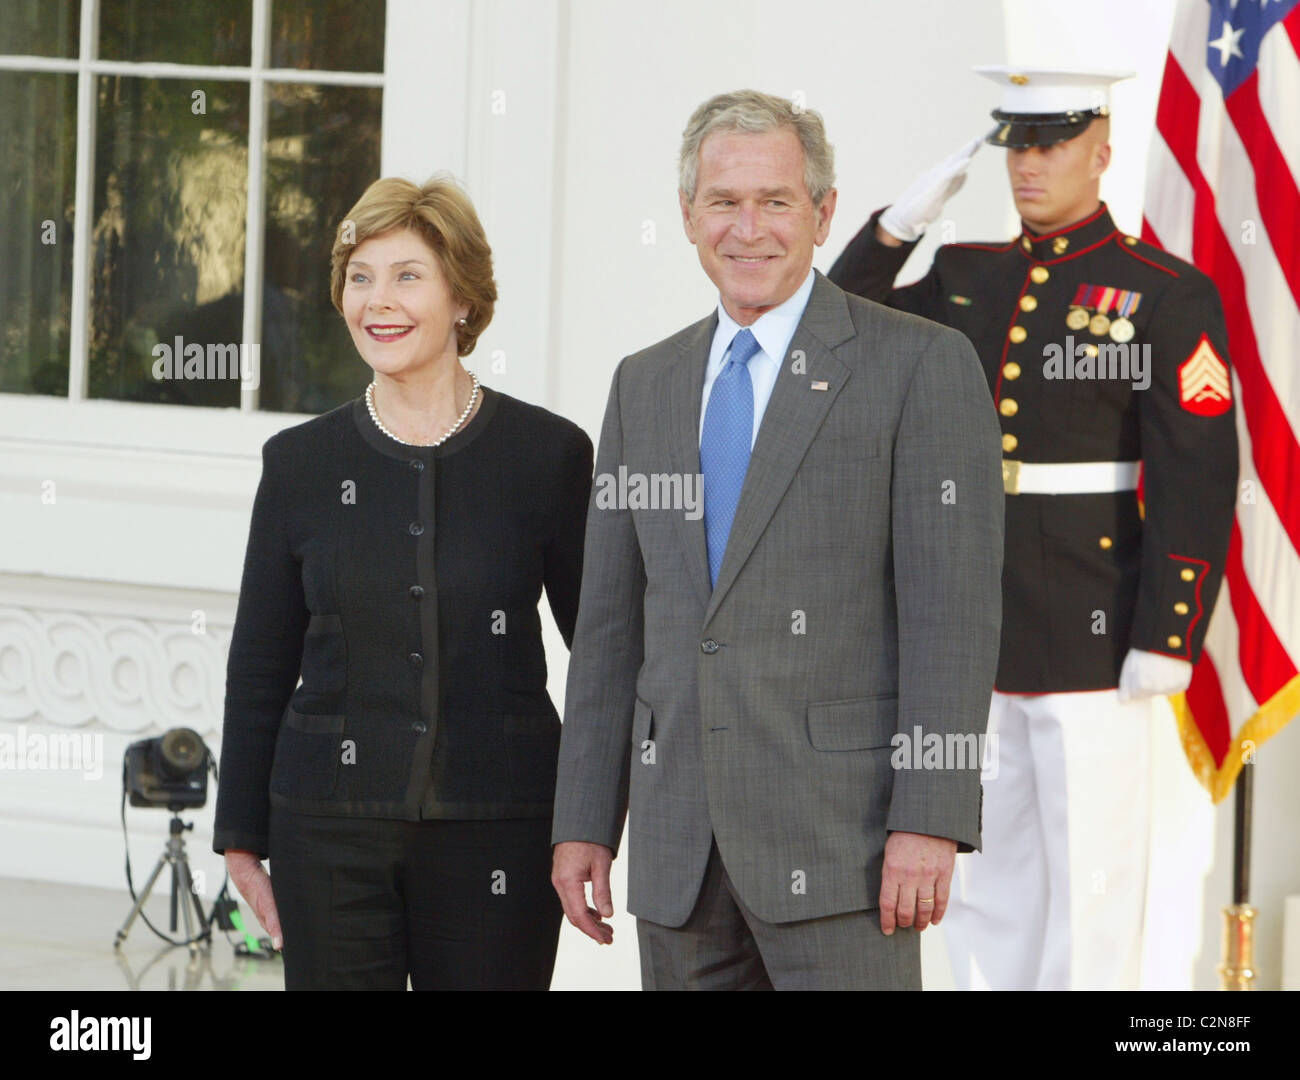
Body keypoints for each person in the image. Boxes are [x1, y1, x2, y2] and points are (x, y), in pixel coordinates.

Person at [550, 89, 1004, 990]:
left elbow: (951, 621)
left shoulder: (919, 364)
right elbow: (608, 631)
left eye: (776, 201)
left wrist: (931, 818)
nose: (747, 228)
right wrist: (585, 819)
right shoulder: (644, 384)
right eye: (723, 202)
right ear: (687, 216)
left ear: (824, 212)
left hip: (848, 852)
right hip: (679, 856)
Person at [827, 67, 1238, 990]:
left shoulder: (1161, 293)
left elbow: (1198, 475)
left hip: (1098, 624)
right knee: (982, 877)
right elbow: (842, 323)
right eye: (1016, 142)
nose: (1028, 163)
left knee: (1093, 875)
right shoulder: (970, 274)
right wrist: (896, 228)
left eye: (1051, 142)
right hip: (974, 617)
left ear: (1101, 151)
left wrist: (1166, 633)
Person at [212, 175, 594, 990]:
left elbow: (601, 654)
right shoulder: (300, 465)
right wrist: (240, 836)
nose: (377, 301)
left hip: (501, 829)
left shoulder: (547, 455)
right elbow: (260, 663)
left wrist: (591, 822)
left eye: (407, 275)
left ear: (463, 295)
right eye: (360, 277)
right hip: (327, 835)